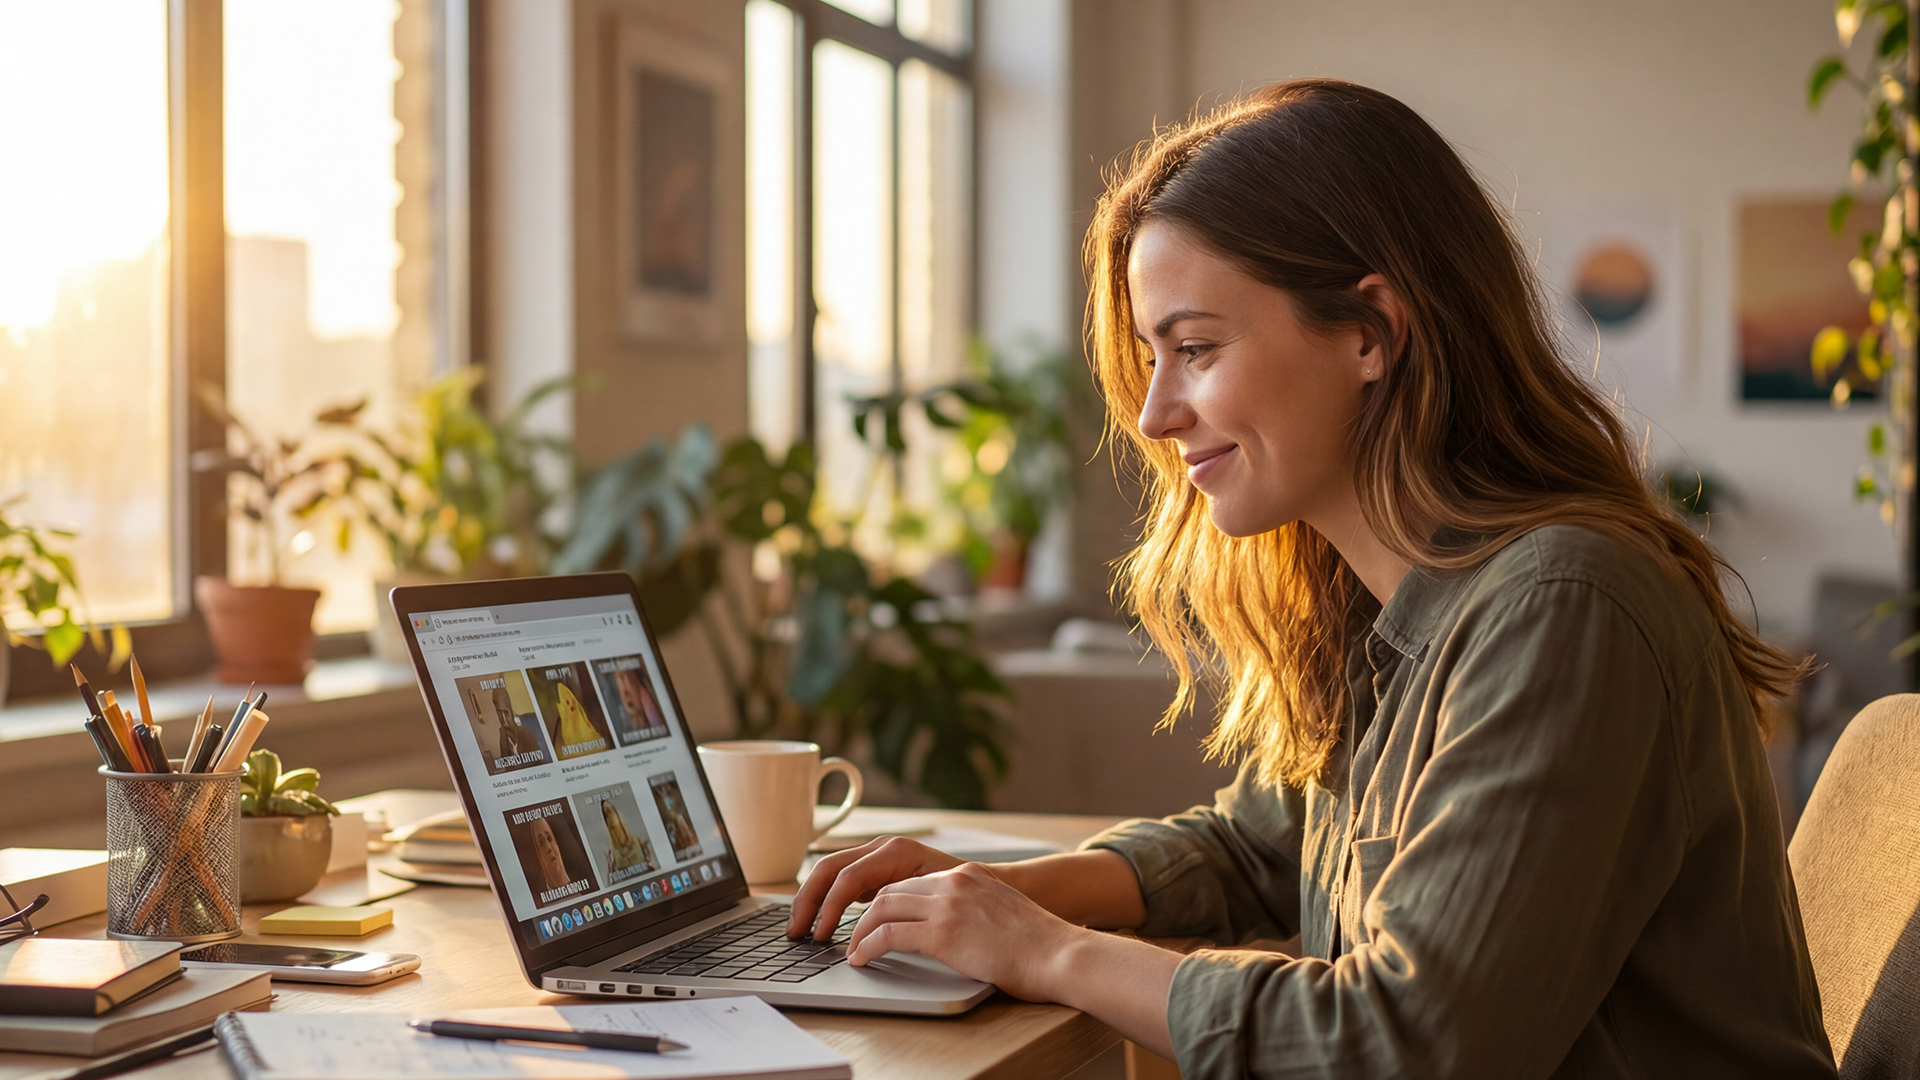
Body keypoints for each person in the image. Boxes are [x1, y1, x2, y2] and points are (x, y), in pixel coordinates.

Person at [787, 80, 1836, 1078]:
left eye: (1194, 347)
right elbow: (1255, 848)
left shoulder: (1564, 608)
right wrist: (996, 896)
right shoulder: (1396, 603)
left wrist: (1047, 952)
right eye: (1154, 358)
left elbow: (1408, 1046)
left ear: (1371, 332)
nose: (1155, 414)